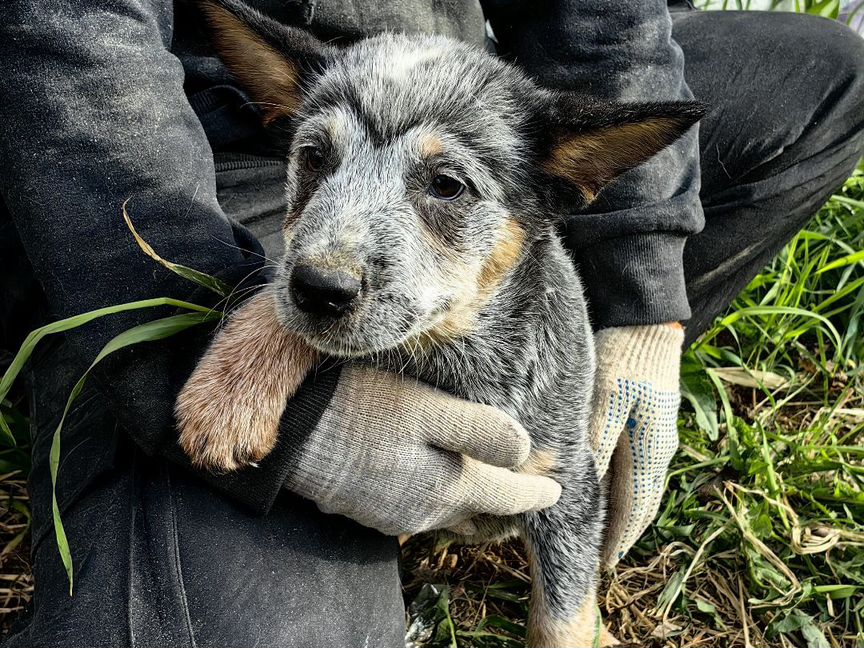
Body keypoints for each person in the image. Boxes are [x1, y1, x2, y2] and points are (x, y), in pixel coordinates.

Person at [1, 0, 862, 646]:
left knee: (825, 75)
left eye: (441, 189)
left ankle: (541, 342)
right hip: (188, 159)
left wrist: (645, 299)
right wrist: (241, 357)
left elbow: (600, 14)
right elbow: (68, 47)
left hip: (467, 94)